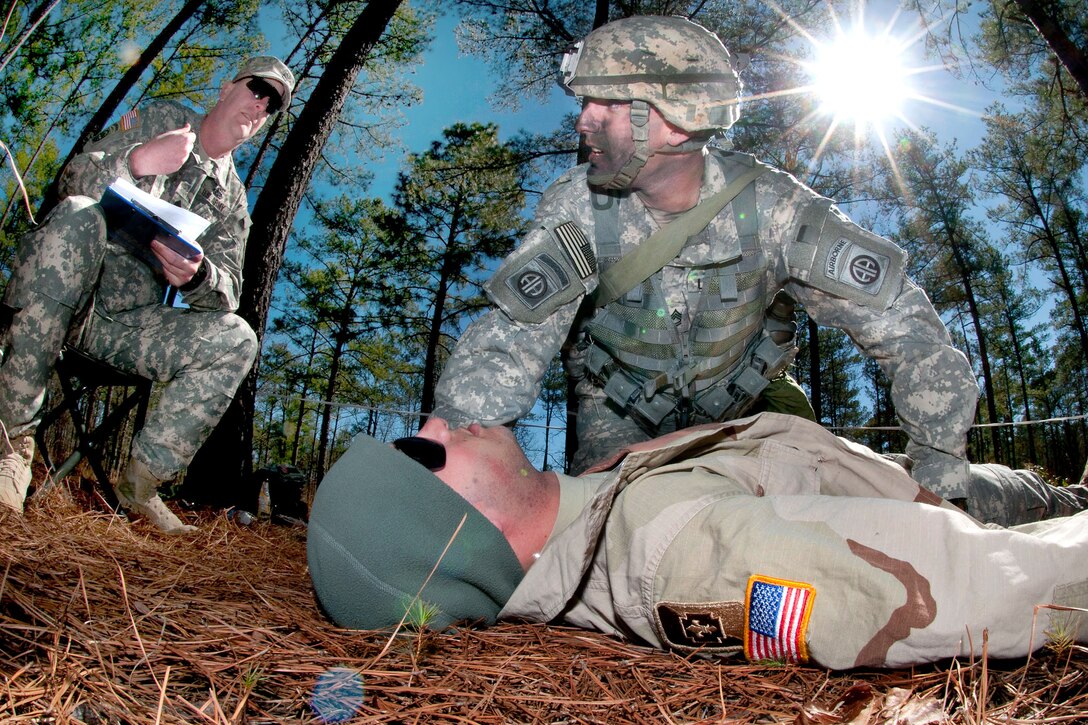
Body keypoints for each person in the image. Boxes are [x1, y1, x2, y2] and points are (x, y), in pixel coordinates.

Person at [432, 16, 978, 508]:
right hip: (621, 417)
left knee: (817, 517)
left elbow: (910, 335)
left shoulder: (775, 209)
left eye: (606, 105)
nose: (582, 122)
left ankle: (1026, 495)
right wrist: (453, 454)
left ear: (673, 122)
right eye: (583, 104)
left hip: (747, 411)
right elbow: (508, 341)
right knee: (614, 530)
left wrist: (941, 477)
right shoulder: (577, 207)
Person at [307, 412, 1088, 670]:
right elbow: (985, 584)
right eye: (423, 452)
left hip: (902, 474)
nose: (439, 421)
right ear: (458, 534)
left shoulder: (595, 503)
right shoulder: (674, 553)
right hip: (955, 506)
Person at [0, 56, 296, 533]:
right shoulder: (164, 118)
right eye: (257, 88)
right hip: (60, 287)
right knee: (79, 211)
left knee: (237, 337)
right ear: (226, 88)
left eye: (273, 104)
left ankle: (140, 485)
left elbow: (231, 291)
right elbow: (73, 179)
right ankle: (11, 448)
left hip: (123, 324)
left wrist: (199, 278)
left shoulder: (233, 199)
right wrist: (135, 162)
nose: (260, 104)